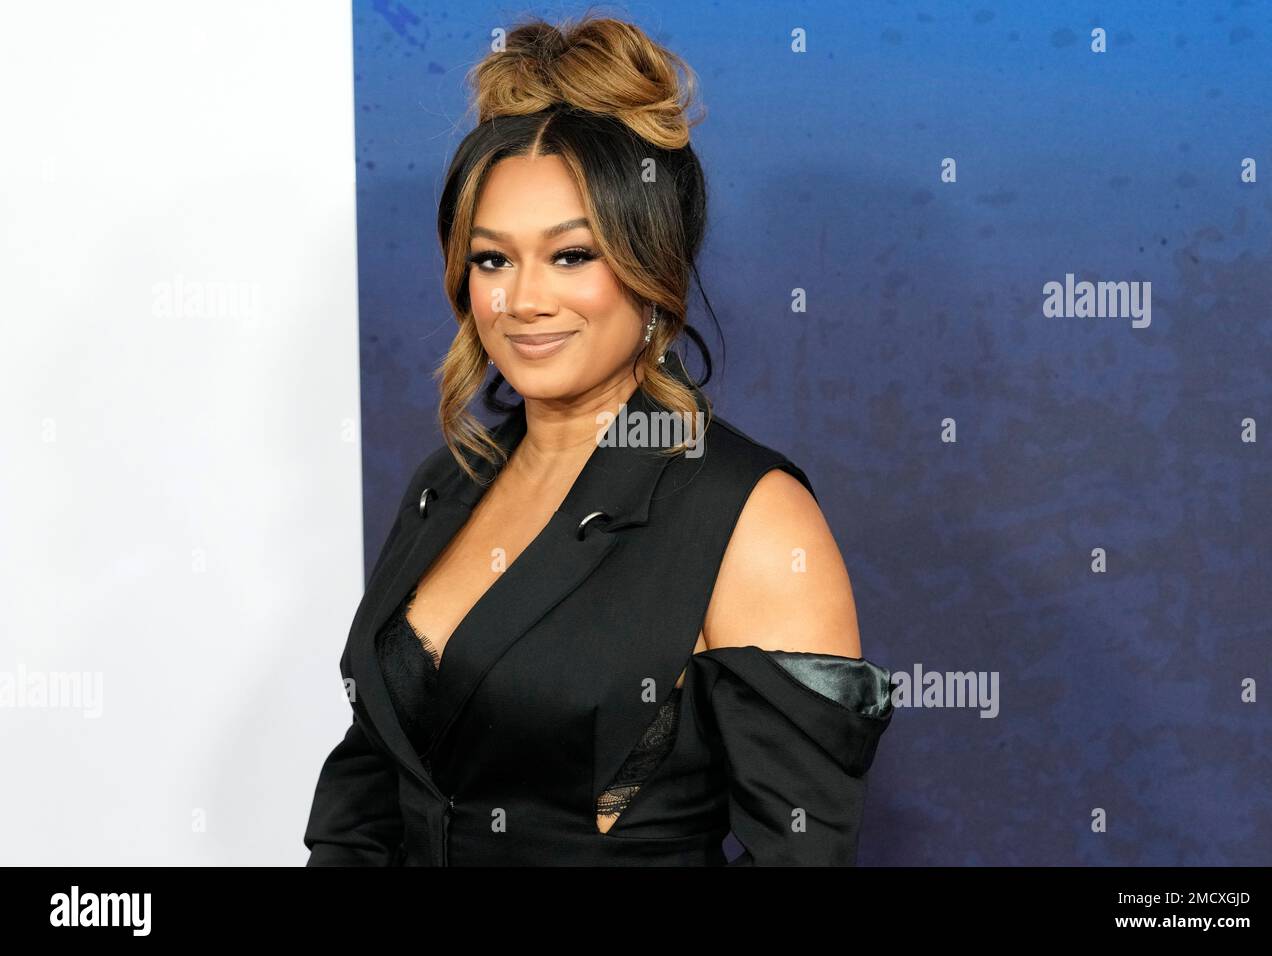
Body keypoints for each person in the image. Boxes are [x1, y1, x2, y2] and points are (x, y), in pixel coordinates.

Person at [303, 14, 893, 866]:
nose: (523, 300)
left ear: (653, 265)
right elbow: (365, 800)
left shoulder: (752, 519)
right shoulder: (448, 483)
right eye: (493, 260)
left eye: (572, 256)